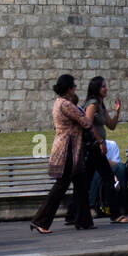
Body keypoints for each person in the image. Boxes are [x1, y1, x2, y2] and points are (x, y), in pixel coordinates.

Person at [30, 75, 94, 233]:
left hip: (71, 149)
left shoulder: (59, 103)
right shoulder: (66, 104)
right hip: (68, 150)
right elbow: (86, 122)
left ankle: (84, 221)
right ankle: (40, 221)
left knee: (80, 185)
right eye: (73, 86)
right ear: (69, 88)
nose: (75, 89)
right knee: (61, 186)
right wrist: (88, 113)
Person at [83, 76, 128, 224]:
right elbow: (88, 124)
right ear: (97, 88)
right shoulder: (92, 104)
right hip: (93, 147)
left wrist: (117, 112)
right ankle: (115, 215)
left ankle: (73, 213)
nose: (106, 88)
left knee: (86, 182)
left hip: (96, 148)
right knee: (107, 179)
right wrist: (100, 141)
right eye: (103, 86)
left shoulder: (101, 105)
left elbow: (111, 125)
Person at [89, 138, 128, 216]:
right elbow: (96, 165)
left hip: (110, 170)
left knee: (121, 167)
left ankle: (122, 205)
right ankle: (92, 206)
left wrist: (112, 174)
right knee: (98, 172)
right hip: (95, 172)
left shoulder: (112, 144)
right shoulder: (92, 146)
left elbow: (116, 163)